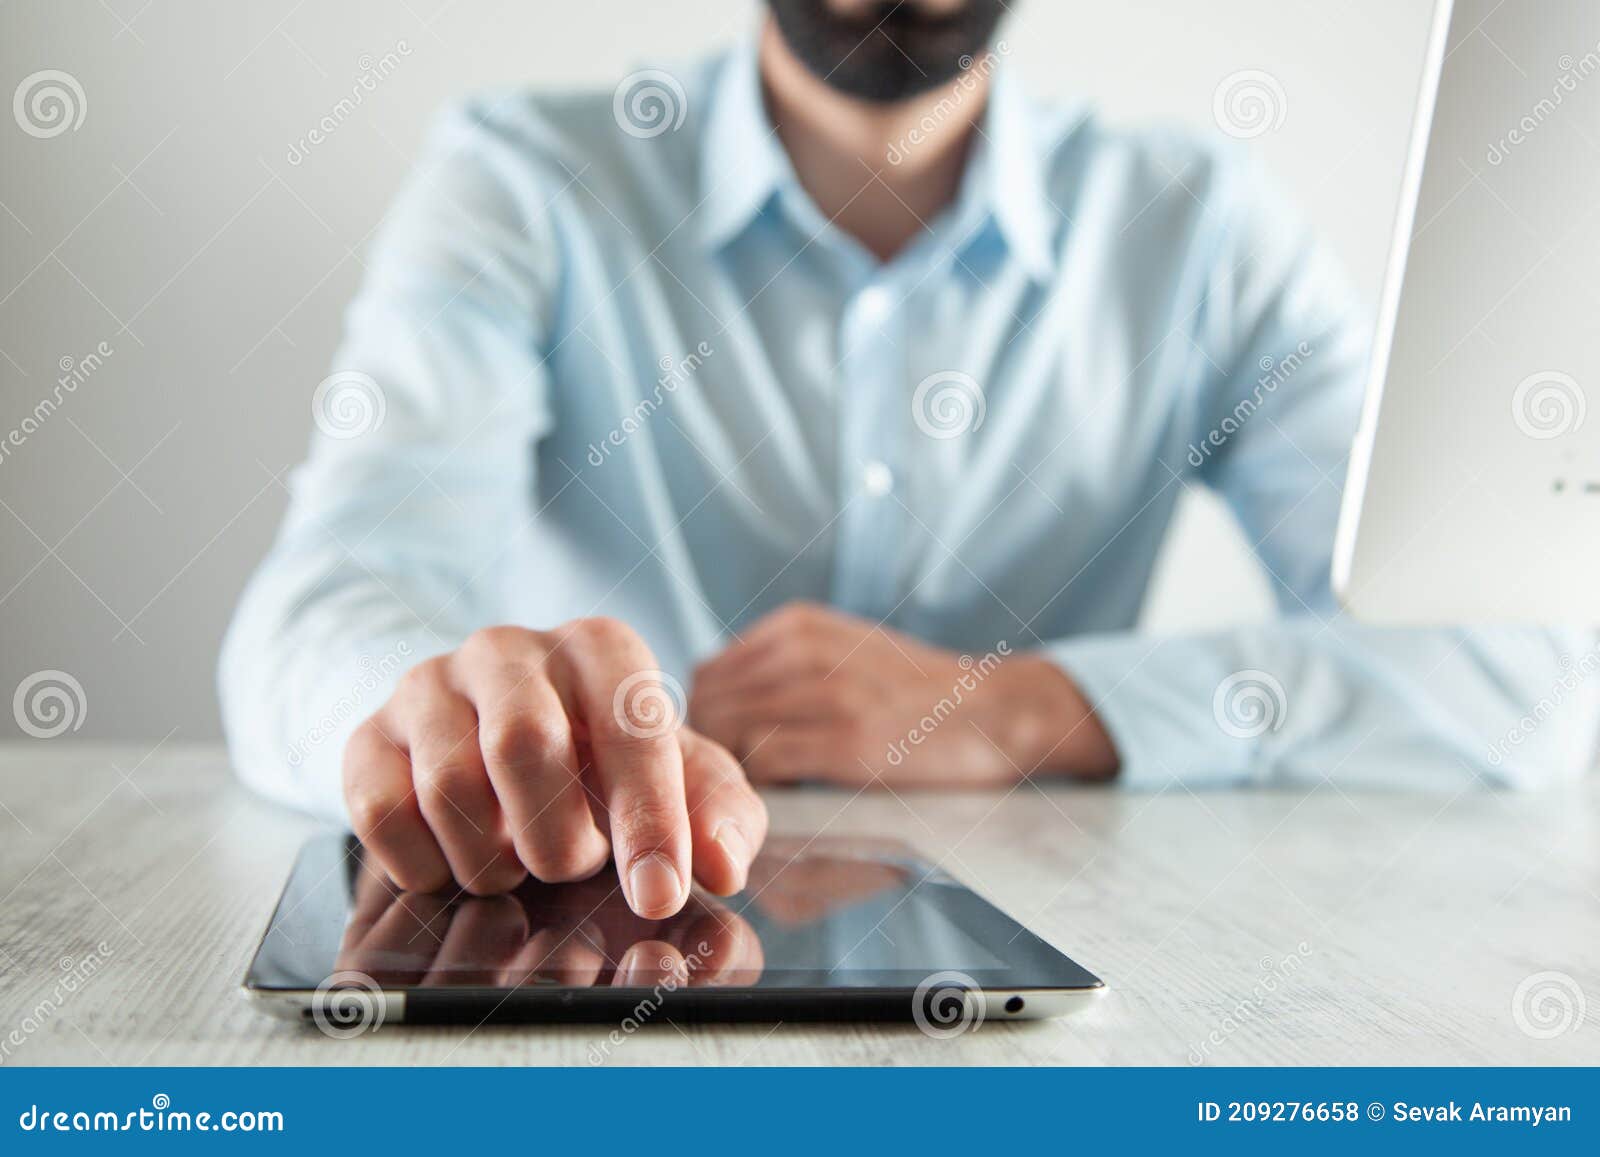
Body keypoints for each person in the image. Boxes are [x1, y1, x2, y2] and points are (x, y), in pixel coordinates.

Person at [220, 0, 1598, 918]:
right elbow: (317, 611)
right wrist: (431, 715)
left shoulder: (1201, 228)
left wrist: (1016, 708)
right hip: (613, 960)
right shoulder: (524, 180)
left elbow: (1518, 667)